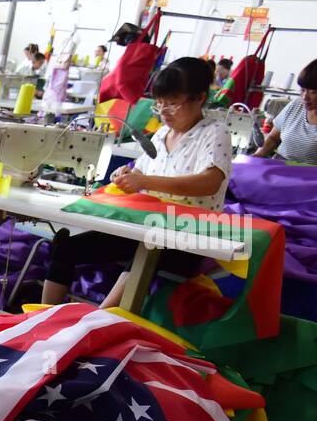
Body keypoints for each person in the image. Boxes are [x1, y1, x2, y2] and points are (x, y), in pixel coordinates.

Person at [42, 57, 232, 309]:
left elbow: (209, 183)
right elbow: (139, 170)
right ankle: (45, 316)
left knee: (146, 251)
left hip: (187, 237)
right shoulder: (163, 133)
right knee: (66, 245)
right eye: (159, 105)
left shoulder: (215, 132)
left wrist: (143, 180)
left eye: (173, 105)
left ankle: (92, 325)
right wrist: (125, 175)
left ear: (199, 98)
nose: (163, 113)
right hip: (143, 229)